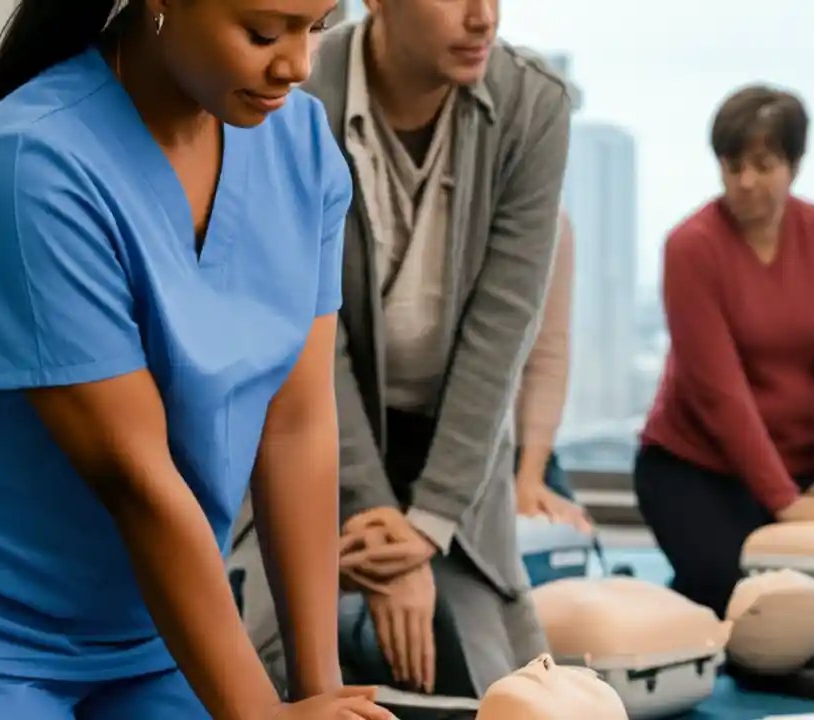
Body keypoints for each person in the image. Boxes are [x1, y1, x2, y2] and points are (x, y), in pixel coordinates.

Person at [0, 2, 391, 719]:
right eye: (264, 33)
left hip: (159, 633)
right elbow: (134, 476)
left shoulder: (301, 146)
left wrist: (320, 688)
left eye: (319, 26)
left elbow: (297, 426)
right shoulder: (36, 158)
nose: (297, 66)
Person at [240, 0, 571, 700]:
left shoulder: (533, 105)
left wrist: (425, 527)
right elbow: (307, 343)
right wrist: (366, 510)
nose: (484, 18)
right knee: (255, 666)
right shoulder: (295, 95)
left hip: (453, 455)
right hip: (305, 432)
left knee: (511, 689)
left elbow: (501, 333)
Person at [635, 84, 814, 619]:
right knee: (753, 603)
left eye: (763, 165)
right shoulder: (690, 247)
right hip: (693, 467)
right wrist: (786, 506)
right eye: (732, 165)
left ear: (794, 165)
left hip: (801, 468)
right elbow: (720, 394)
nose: (745, 181)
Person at [514, 211, 589, 532]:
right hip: (427, 445)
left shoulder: (552, 223)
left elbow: (549, 355)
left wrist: (529, 480)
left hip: (515, 449)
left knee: (572, 538)